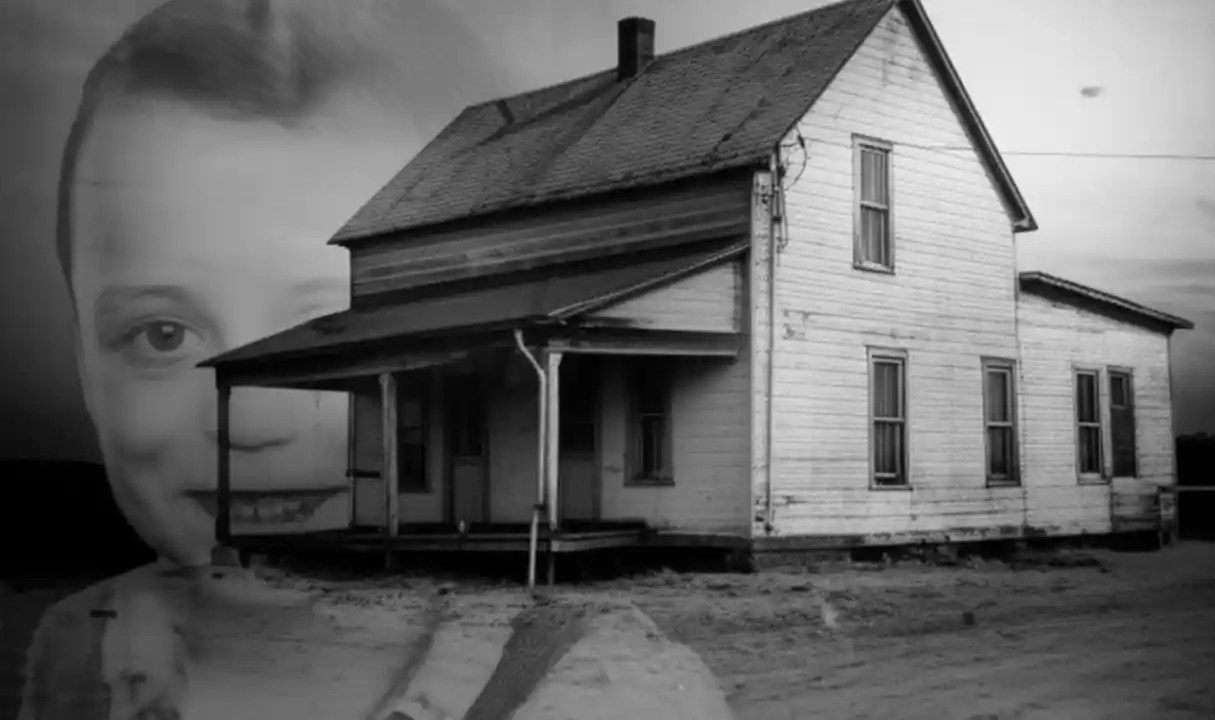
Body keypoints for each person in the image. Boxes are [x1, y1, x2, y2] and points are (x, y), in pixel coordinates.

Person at [19, 1, 738, 718]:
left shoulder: (609, 687)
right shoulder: (79, 651)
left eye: (315, 315)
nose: (254, 425)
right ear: (82, 352)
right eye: (164, 333)